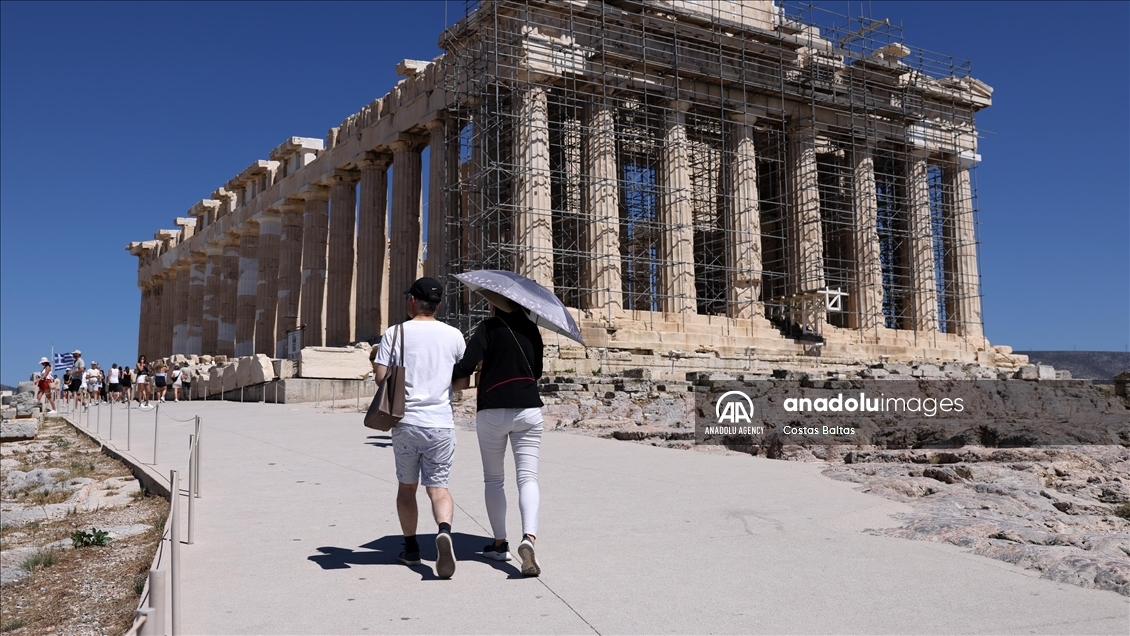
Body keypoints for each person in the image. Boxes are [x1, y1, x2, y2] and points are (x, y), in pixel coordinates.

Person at [372, 277, 466, 579]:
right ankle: (444, 531)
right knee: (438, 488)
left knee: (407, 488)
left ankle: (411, 549)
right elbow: (463, 381)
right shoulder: (454, 336)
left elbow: (381, 379)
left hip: (407, 422)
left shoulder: (395, 333)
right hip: (440, 423)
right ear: (439, 304)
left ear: (412, 301)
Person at [452, 298, 545, 576]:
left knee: (494, 479)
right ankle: (528, 538)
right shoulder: (532, 330)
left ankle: (500, 543)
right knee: (528, 478)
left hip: (492, 409)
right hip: (528, 409)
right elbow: (537, 371)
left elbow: (466, 366)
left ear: (497, 302)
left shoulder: (488, 327)